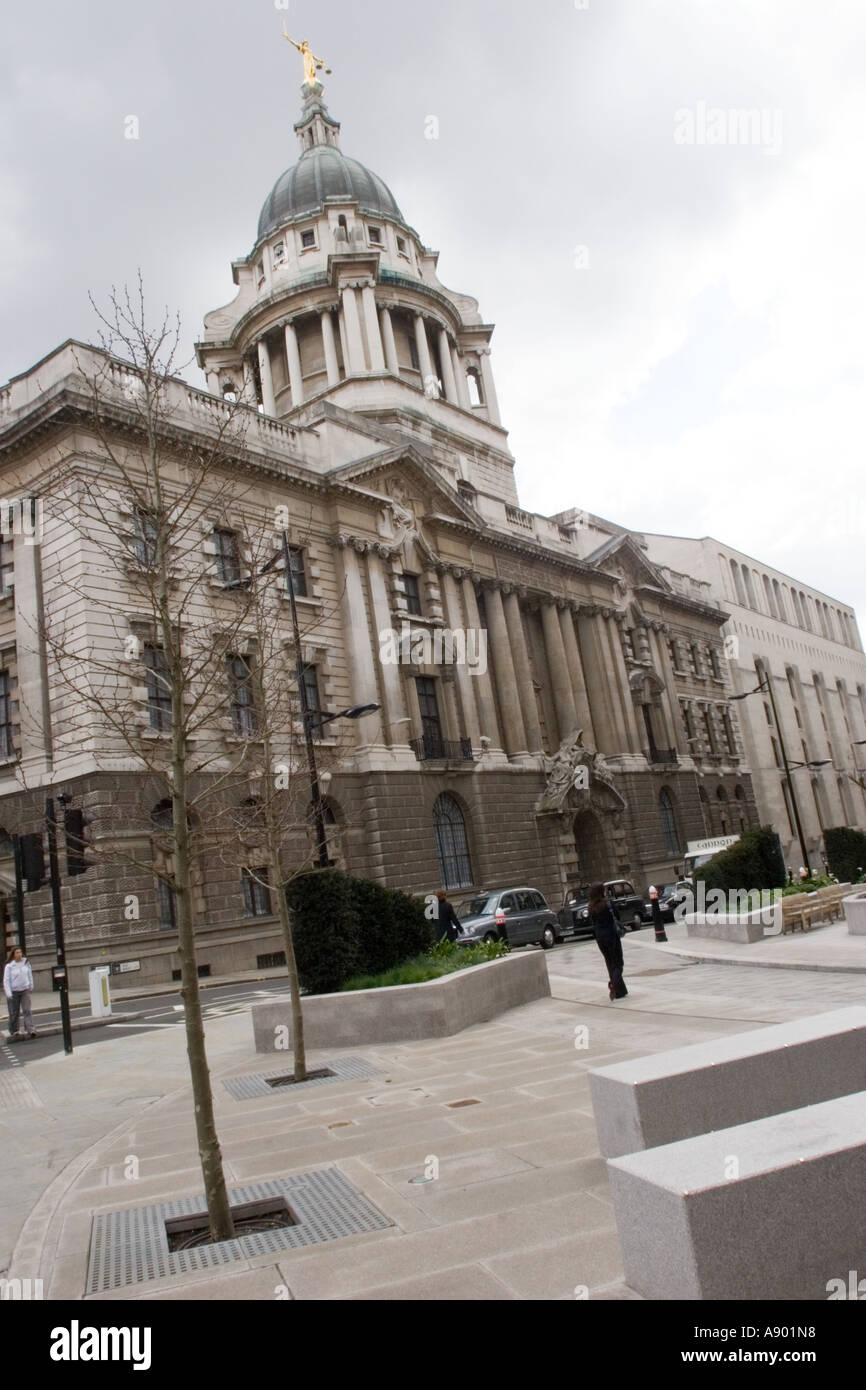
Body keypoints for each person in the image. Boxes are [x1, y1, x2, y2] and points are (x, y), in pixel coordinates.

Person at [587, 883, 628, 1000]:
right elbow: (617, 917)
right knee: (618, 963)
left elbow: (592, 923)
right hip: (612, 935)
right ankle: (614, 986)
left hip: (600, 938)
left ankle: (621, 991)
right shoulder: (608, 904)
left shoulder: (591, 907)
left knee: (609, 963)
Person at [4, 947, 36, 1039]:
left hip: (25, 989)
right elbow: (6, 980)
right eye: (17, 952)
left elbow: (29, 974)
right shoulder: (9, 966)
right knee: (14, 1012)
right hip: (14, 991)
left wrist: (31, 985)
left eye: (20, 952)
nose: (19, 954)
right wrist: (8, 993)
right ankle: (14, 1030)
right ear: (13, 954)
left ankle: (30, 1029)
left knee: (27, 1010)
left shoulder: (26, 963)